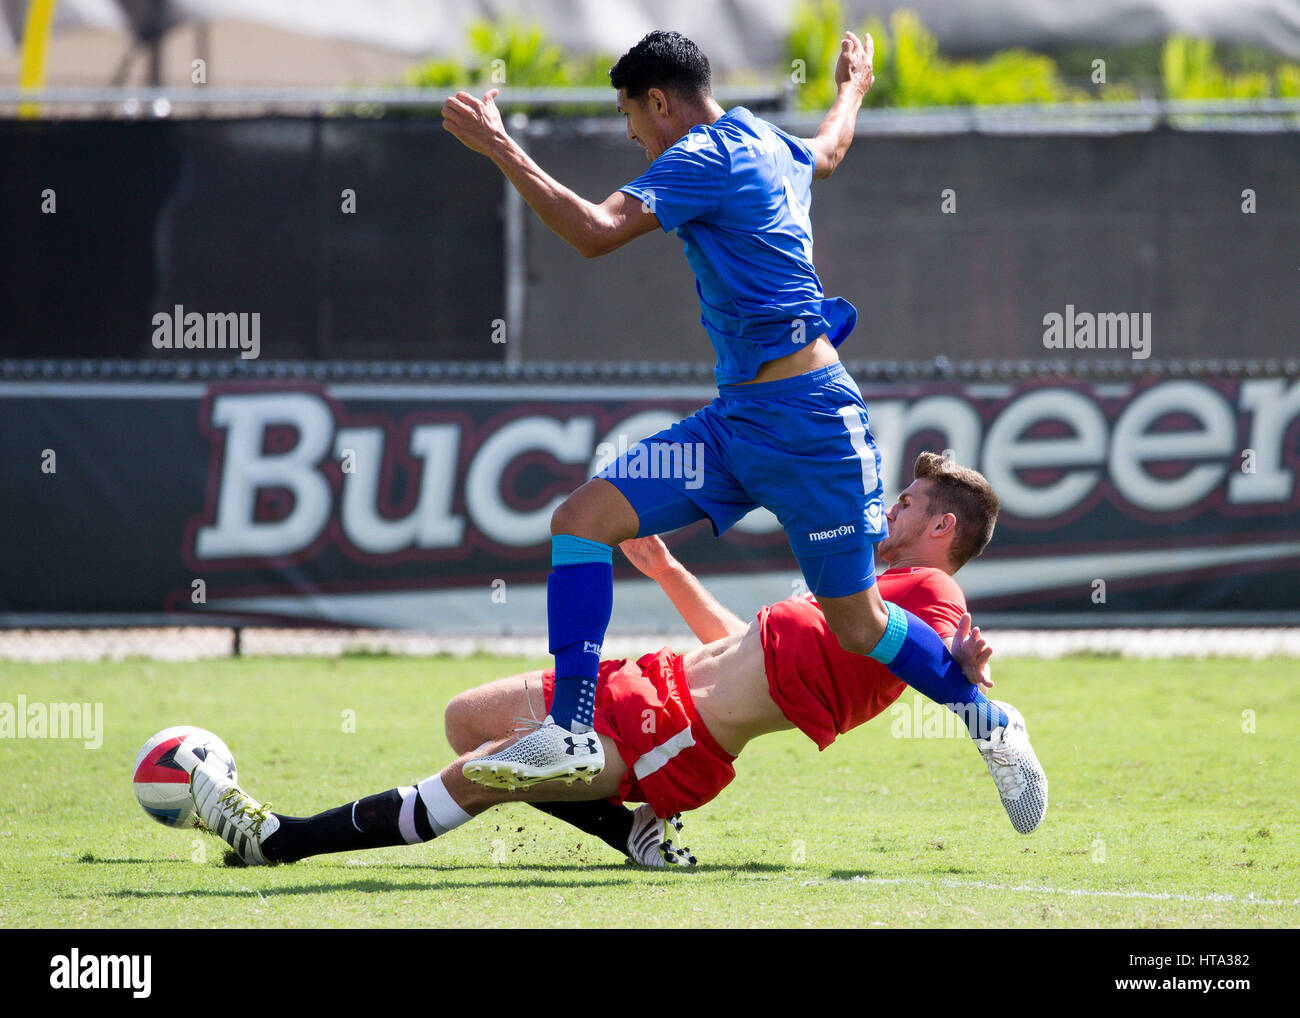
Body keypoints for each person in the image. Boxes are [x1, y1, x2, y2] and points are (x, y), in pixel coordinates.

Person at [439, 30, 1016, 790]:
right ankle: (569, 732)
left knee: (859, 622)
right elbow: (831, 151)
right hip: (735, 426)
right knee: (583, 520)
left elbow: (593, 231)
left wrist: (500, 147)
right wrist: (852, 91)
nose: (632, 137)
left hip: (812, 424)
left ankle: (988, 719)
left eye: (630, 118)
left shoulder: (702, 155)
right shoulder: (770, 141)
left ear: (658, 100)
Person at [184, 454, 1047, 869]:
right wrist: (672, 572)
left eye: (907, 503)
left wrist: (965, 673)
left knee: (483, 774)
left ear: (940, 529)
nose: (889, 509)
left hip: (678, 736)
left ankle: (280, 842)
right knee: (466, 717)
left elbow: (936, 647)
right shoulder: (858, 581)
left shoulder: (930, 592)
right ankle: (630, 830)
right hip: (656, 676)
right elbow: (740, 644)